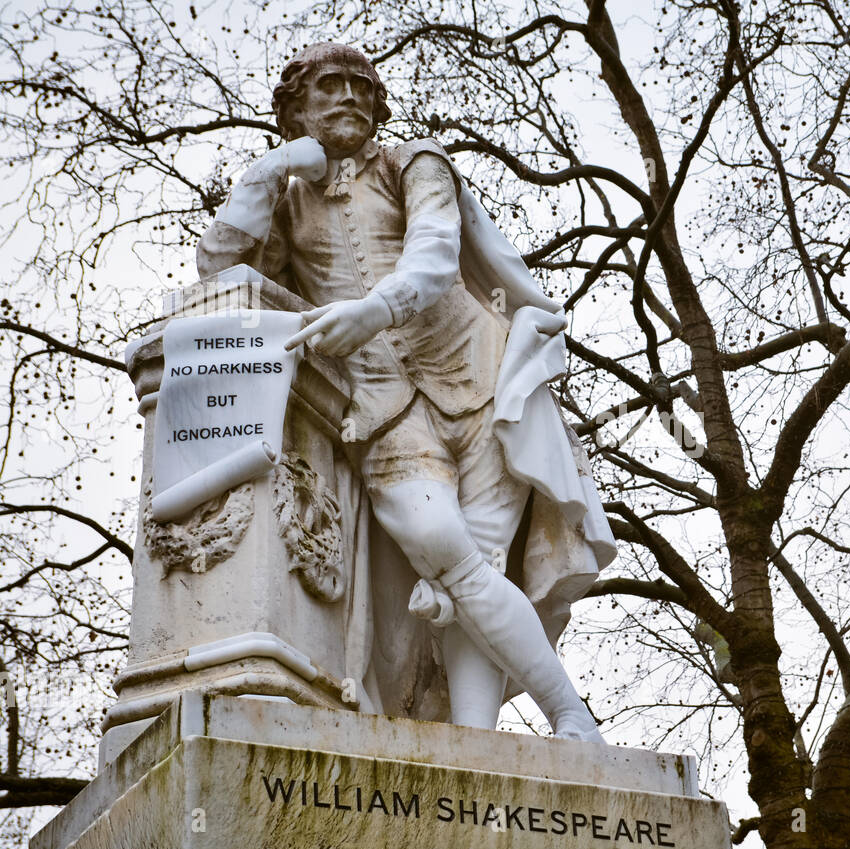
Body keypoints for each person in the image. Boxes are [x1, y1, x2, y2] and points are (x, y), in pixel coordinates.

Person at [196, 42, 614, 743]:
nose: (350, 97)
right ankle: (571, 712)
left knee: (470, 572)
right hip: (384, 412)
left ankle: (475, 740)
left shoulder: (414, 162)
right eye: (330, 87)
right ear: (295, 109)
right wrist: (269, 171)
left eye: (362, 86)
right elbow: (218, 272)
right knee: (441, 546)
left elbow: (434, 251)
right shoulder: (286, 200)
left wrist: (376, 310)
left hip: (481, 384)